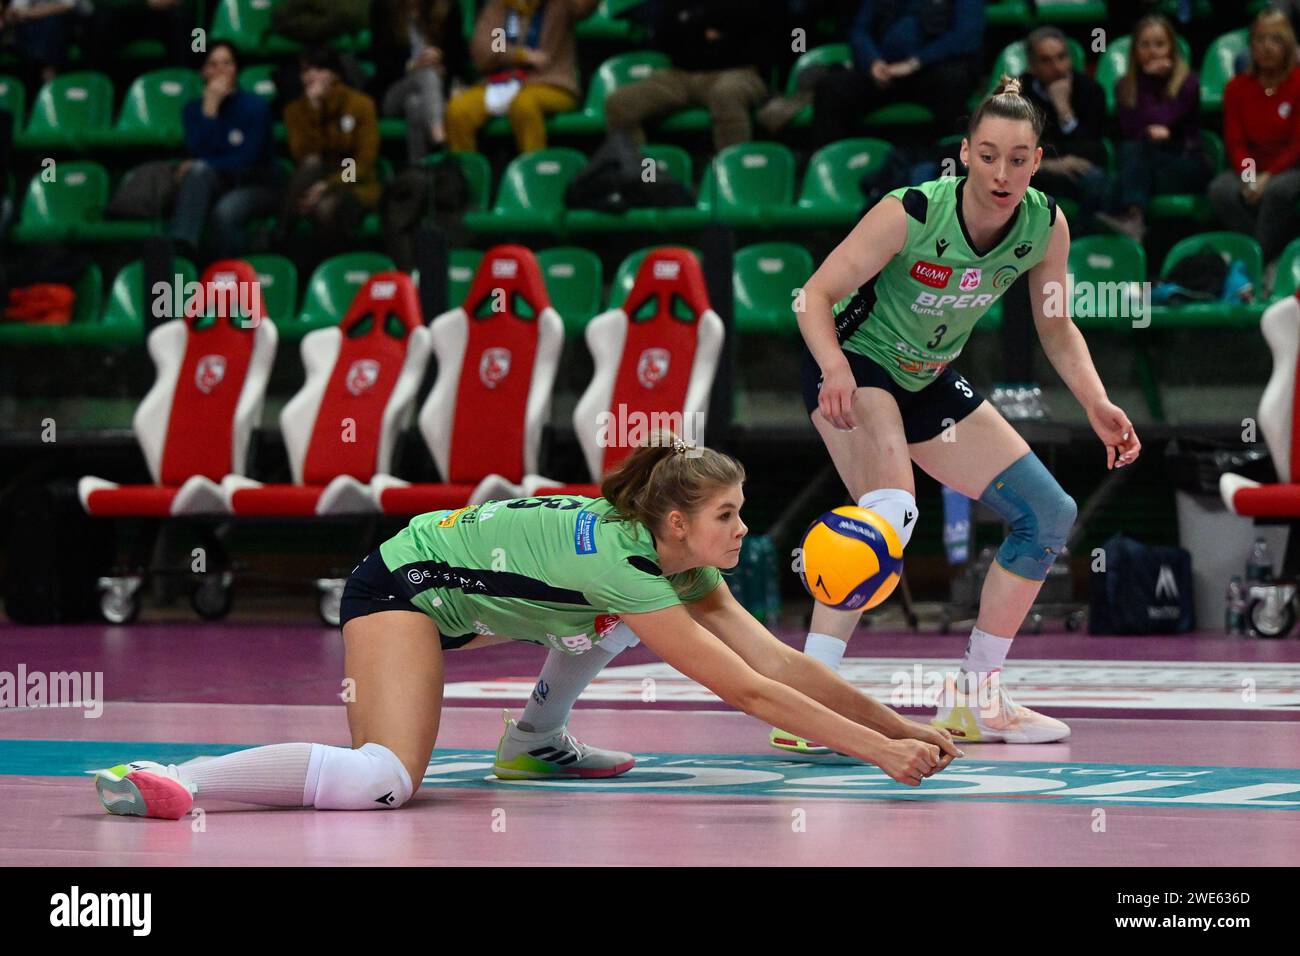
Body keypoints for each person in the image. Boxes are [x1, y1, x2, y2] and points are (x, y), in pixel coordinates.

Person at [94, 435, 961, 819]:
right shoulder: (623, 566)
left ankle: (534, 742)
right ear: (675, 524)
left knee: (613, 625)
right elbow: (744, 687)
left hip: (474, 597)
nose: (743, 531)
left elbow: (772, 656)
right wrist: (878, 755)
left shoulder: (669, 559)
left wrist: (897, 724)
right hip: (404, 591)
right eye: (729, 516)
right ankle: (179, 779)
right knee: (384, 782)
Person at [782, 76, 1142, 754]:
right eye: (987, 154)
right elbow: (814, 295)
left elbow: (1058, 329)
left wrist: (1096, 401)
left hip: (927, 377)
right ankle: (810, 698)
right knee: (888, 512)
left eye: (1017, 157)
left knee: (1048, 513)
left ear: (1037, 160)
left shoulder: (1045, 223)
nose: (1001, 172)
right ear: (965, 154)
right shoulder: (912, 210)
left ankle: (977, 696)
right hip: (855, 363)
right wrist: (833, 367)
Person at [603, 0, 770, 153]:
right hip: (680, 74)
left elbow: (764, 28)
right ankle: (640, 179)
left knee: (726, 95)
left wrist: (705, 21)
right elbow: (664, 34)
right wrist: (702, 26)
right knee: (620, 104)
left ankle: (734, 178)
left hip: (738, 72)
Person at [810, 0, 984, 147]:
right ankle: (836, 167)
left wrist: (915, 62)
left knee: (954, 81)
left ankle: (952, 169)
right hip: (884, 72)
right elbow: (860, 30)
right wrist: (873, 61)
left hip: (931, 69)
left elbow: (967, 35)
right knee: (831, 87)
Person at [1098, 14, 1209, 243]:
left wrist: (1148, 84)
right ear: (1135, 51)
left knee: (1125, 171)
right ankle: (1132, 222)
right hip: (1147, 164)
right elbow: (1134, 130)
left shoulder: (1188, 82)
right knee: (1128, 157)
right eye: (1145, 45)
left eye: (1159, 44)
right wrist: (1145, 84)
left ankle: (1131, 221)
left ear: (1171, 48)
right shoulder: (1124, 86)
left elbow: (1162, 119)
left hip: (1186, 162)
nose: (1152, 51)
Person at [1209, 9, 1300, 270]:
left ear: (1288, 45)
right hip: (1251, 167)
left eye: (1275, 40)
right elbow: (1236, 142)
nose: (1266, 48)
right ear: (1250, 46)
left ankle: (1253, 262)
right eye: (1259, 40)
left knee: (1278, 191)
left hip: (1291, 168)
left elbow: (1297, 143)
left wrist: (1267, 176)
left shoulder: (1297, 83)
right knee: (1221, 190)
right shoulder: (1236, 88)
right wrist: (1250, 177)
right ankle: (1272, 253)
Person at [170, 41, 278, 259]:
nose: (220, 71)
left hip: (256, 184)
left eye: (227, 63)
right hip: (215, 183)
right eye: (212, 64)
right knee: (198, 171)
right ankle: (182, 250)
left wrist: (210, 162)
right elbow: (198, 150)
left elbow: (249, 158)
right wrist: (210, 110)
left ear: (236, 70)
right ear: (203, 72)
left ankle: (231, 275)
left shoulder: (256, 107)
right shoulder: (193, 110)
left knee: (225, 211)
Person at [446, 0, 597, 155]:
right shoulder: (503, 6)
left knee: (524, 105)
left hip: (550, 82)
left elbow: (584, 6)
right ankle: (464, 175)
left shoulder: (560, 5)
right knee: (459, 111)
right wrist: (519, 55)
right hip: (502, 82)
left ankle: (534, 171)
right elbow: (487, 49)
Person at [278, 47, 381, 257]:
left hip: (354, 183)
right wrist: (314, 110)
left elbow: (363, 163)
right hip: (312, 179)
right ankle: (283, 235)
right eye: (306, 70)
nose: (311, 76)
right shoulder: (295, 110)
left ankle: (281, 238)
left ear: (335, 74)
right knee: (311, 163)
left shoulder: (361, 105)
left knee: (325, 208)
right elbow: (301, 154)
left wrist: (327, 186)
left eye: (318, 69)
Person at [1017, 26, 1111, 234]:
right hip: (1034, 172)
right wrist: (1052, 165)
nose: (1058, 67)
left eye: (1062, 57)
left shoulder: (1090, 91)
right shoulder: (1017, 95)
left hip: (1071, 172)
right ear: (1032, 66)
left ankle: (1077, 247)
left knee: (1097, 181)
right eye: (1046, 60)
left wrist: (1064, 111)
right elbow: (1009, 150)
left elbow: (1091, 149)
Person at [371, 0, 471, 162]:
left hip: (432, 94)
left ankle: (419, 169)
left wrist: (442, 62)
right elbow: (381, 63)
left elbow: (459, 58)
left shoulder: (447, 6)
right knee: (427, 75)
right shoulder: (383, 7)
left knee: (415, 105)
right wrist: (412, 66)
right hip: (393, 92)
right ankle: (439, 137)